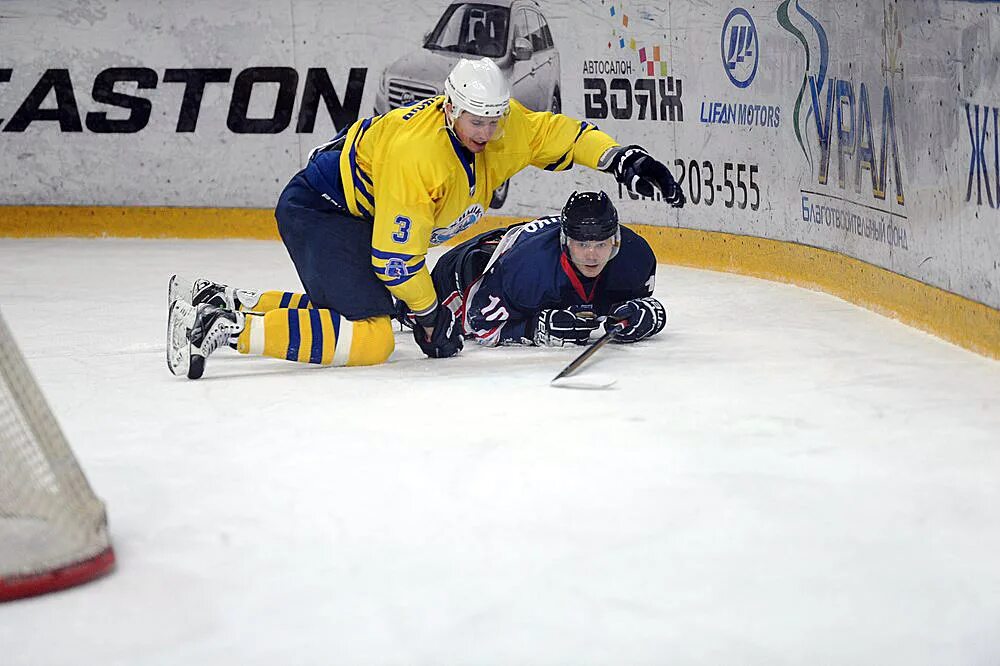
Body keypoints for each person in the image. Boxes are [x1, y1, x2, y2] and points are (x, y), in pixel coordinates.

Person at [167, 57, 684, 380]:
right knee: (372, 338)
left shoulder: (506, 127)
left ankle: (230, 298)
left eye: (494, 119)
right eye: (475, 121)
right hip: (323, 211)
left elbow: (566, 136)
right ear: (449, 108)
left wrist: (624, 159)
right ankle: (218, 328)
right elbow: (396, 263)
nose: (486, 132)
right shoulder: (420, 156)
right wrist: (433, 317)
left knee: (377, 309)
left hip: (358, 214)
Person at [421, 190, 667, 347]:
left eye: (601, 244)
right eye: (582, 244)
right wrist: (532, 329)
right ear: (565, 242)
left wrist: (644, 315)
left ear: (615, 241)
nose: (592, 255)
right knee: (429, 321)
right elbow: (476, 322)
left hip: (525, 249)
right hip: (472, 270)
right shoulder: (526, 271)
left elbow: (631, 308)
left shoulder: (636, 258)